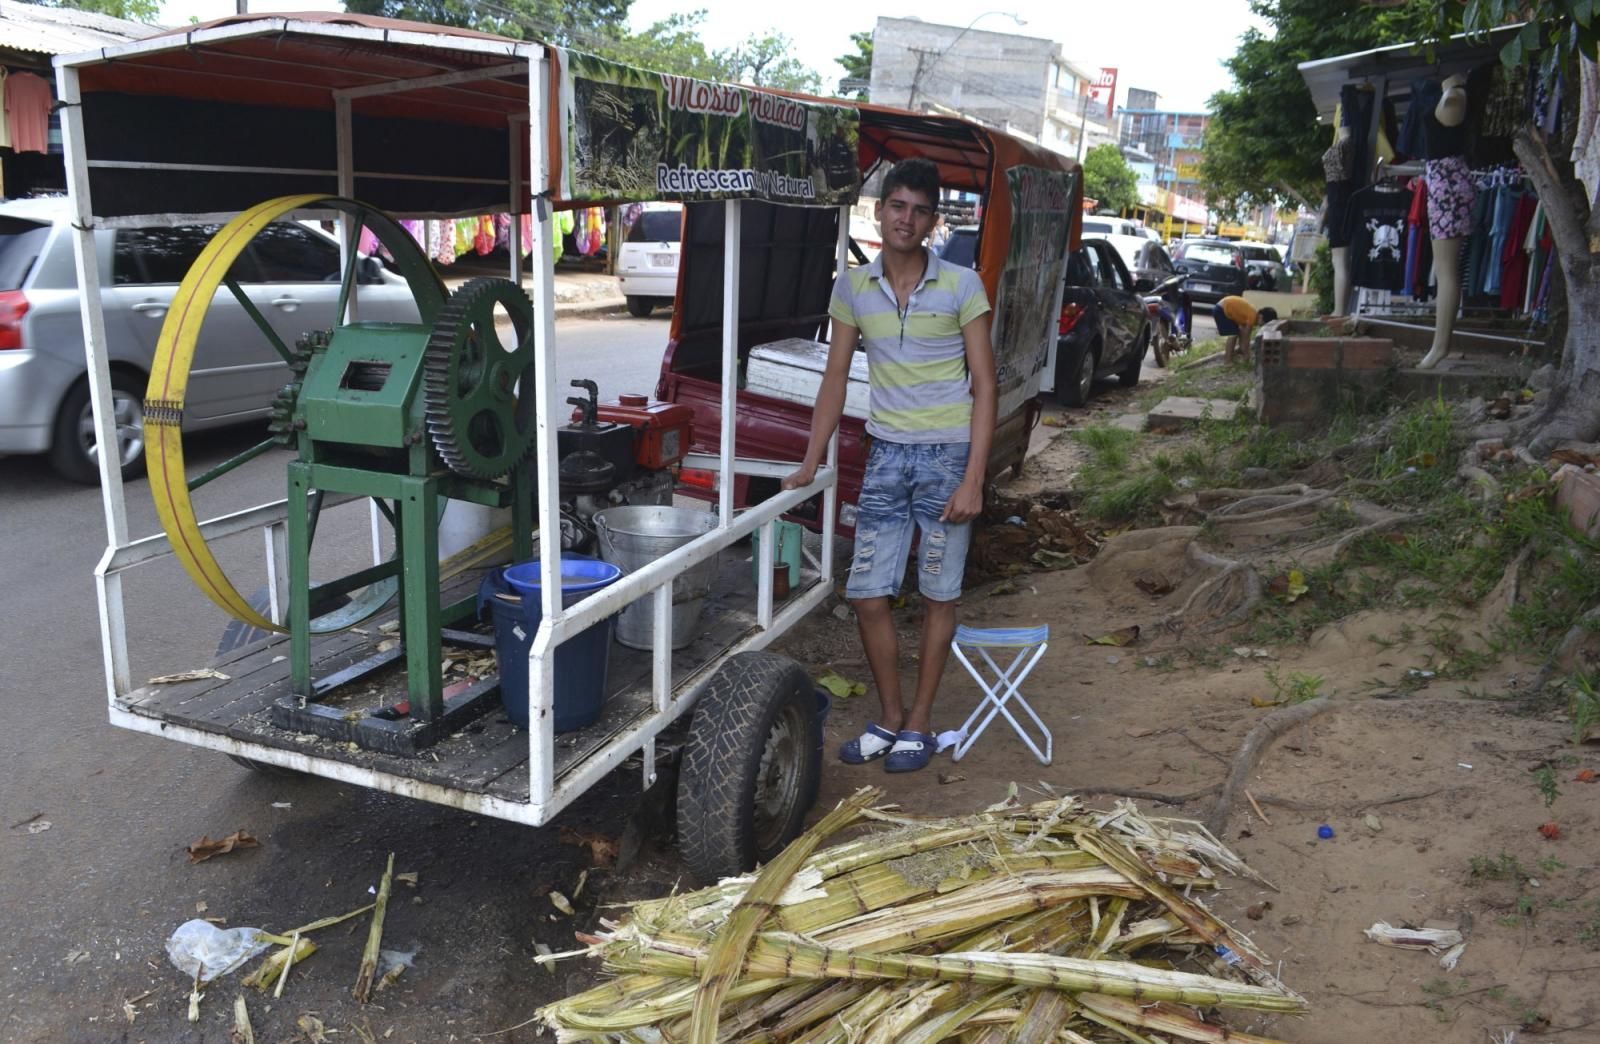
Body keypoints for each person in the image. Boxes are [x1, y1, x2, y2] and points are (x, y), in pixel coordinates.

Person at [781, 157, 996, 774]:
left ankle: (921, 723)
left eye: (919, 210)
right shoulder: (854, 287)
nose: (906, 219)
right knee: (869, 595)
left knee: (937, 592)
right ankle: (891, 715)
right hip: (886, 456)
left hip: (947, 455)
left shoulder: (962, 285)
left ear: (933, 220)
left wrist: (974, 477)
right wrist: (808, 461)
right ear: (879, 211)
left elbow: (985, 384)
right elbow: (833, 378)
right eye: (896, 206)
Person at [1211, 296, 1278, 364]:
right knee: (1233, 335)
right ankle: (1227, 361)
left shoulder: (1251, 316)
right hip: (1221, 310)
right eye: (1264, 323)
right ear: (1261, 317)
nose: (1261, 326)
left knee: (1236, 333)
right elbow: (1246, 338)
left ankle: (1233, 356)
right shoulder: (1252, 317)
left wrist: (1243, 348)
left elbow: (1243, 334)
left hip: (1226, 309)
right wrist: (1247, 354)